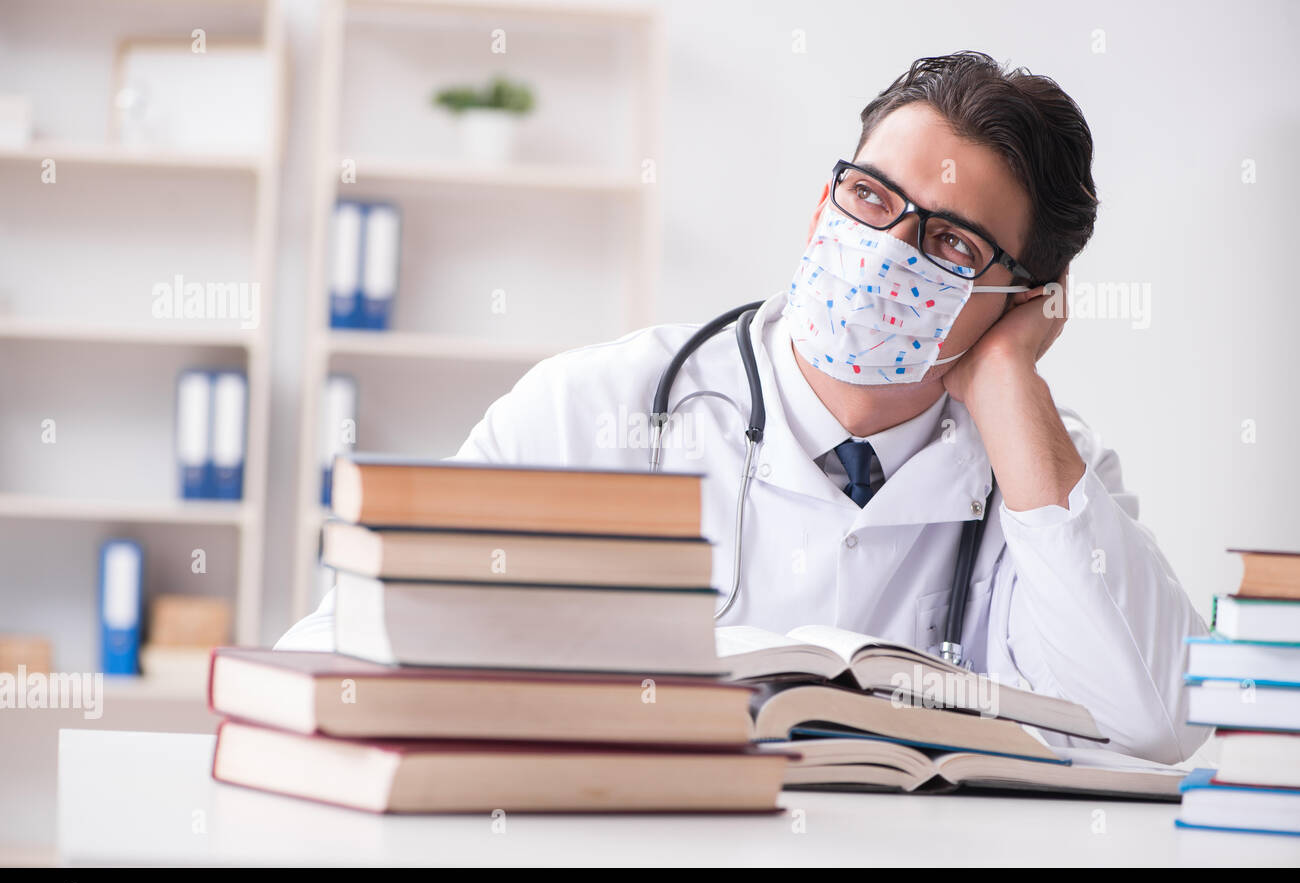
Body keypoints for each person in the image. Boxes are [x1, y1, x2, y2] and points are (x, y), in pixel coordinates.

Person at [277, 51, 1209, 766]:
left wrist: (1011, 386)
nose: (885, 248)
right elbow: (343, 650)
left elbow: (1159, 719)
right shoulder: (601, 406)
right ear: (822, 208)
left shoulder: (1040, 468)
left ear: (1023, 301)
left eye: (951, 244)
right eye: (870, 196)